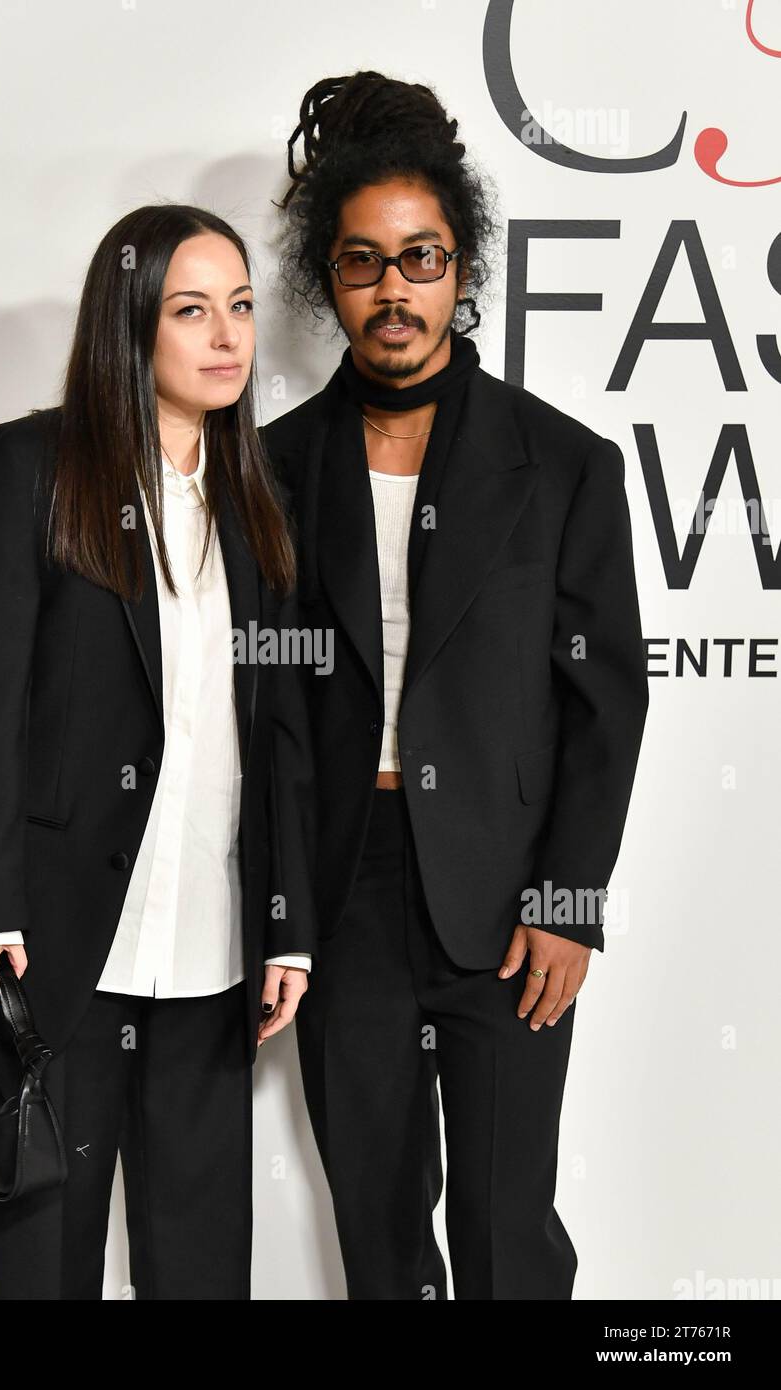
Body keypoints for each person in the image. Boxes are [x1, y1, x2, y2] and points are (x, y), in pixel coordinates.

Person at [262, 71, 649, 1299]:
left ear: (461, 265)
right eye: (364, 262)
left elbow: (606, 702)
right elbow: (256, 708)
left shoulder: (564, 466)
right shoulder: (267, 471)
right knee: (376, 1226)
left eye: (419, 258)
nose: (393, 290)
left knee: (503, 1227)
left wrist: (568, 898)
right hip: (343, 887)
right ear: (330, 279)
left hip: (507, 884)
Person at [0, 204, 316, 1299]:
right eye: (192, 310)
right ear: (129, 326)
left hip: (211, 952)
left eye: (239, 306)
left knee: (201, 1271)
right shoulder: (23, 468)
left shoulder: (257, 503)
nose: (227, 335)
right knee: (45, 1267)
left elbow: (276, 736)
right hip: (55, 951)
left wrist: (288, 923)